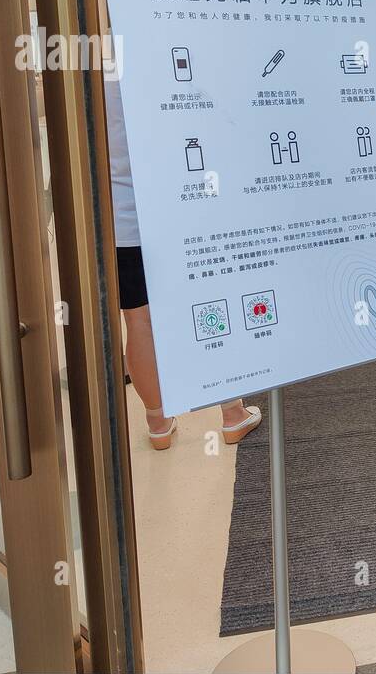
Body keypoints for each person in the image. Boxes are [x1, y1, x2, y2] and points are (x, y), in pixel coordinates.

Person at [104, 79, 262, 449]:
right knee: (211, 312)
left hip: (123, 223)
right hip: (182, 216)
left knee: (138, 322)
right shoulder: (167, 61)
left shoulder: (99, 76)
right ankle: (231, 414)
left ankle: (158, 424)